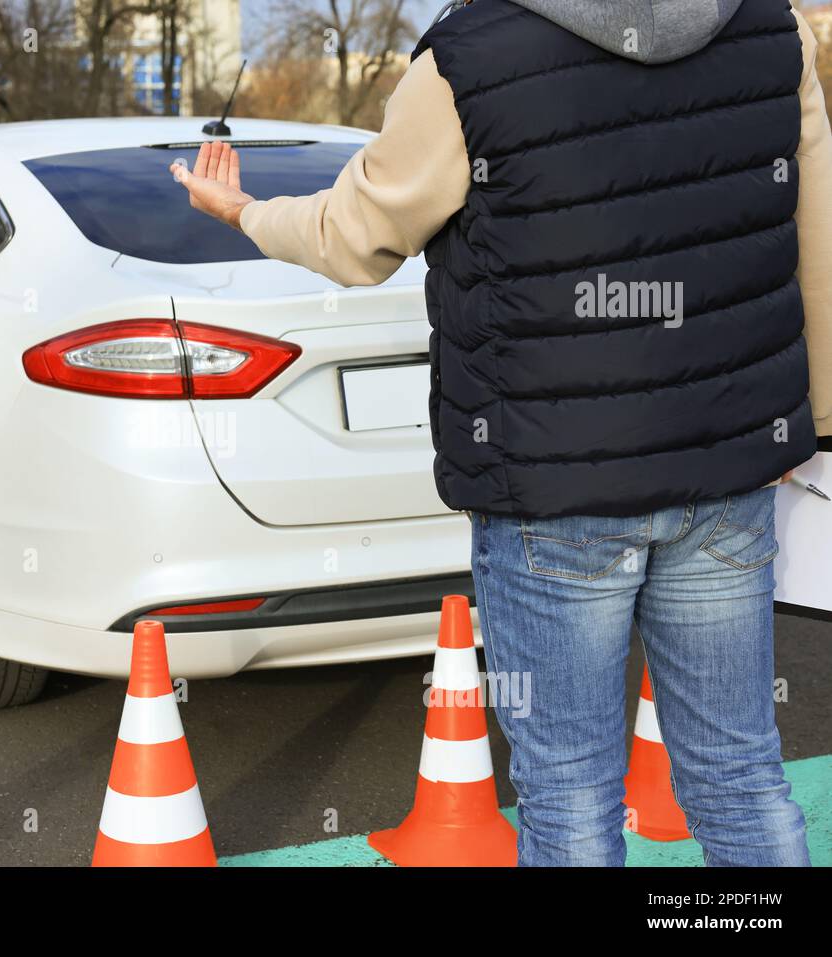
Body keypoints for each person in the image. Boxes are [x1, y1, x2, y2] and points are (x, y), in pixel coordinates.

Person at [172, 0, 829, 867]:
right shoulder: (770, 29)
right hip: (726, 472)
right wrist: (809, 426)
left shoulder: (468, 54)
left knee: (568, 800)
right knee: (740, 775)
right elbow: (814, 238)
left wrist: (245, 212)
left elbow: (354, 237)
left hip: (550, 491)